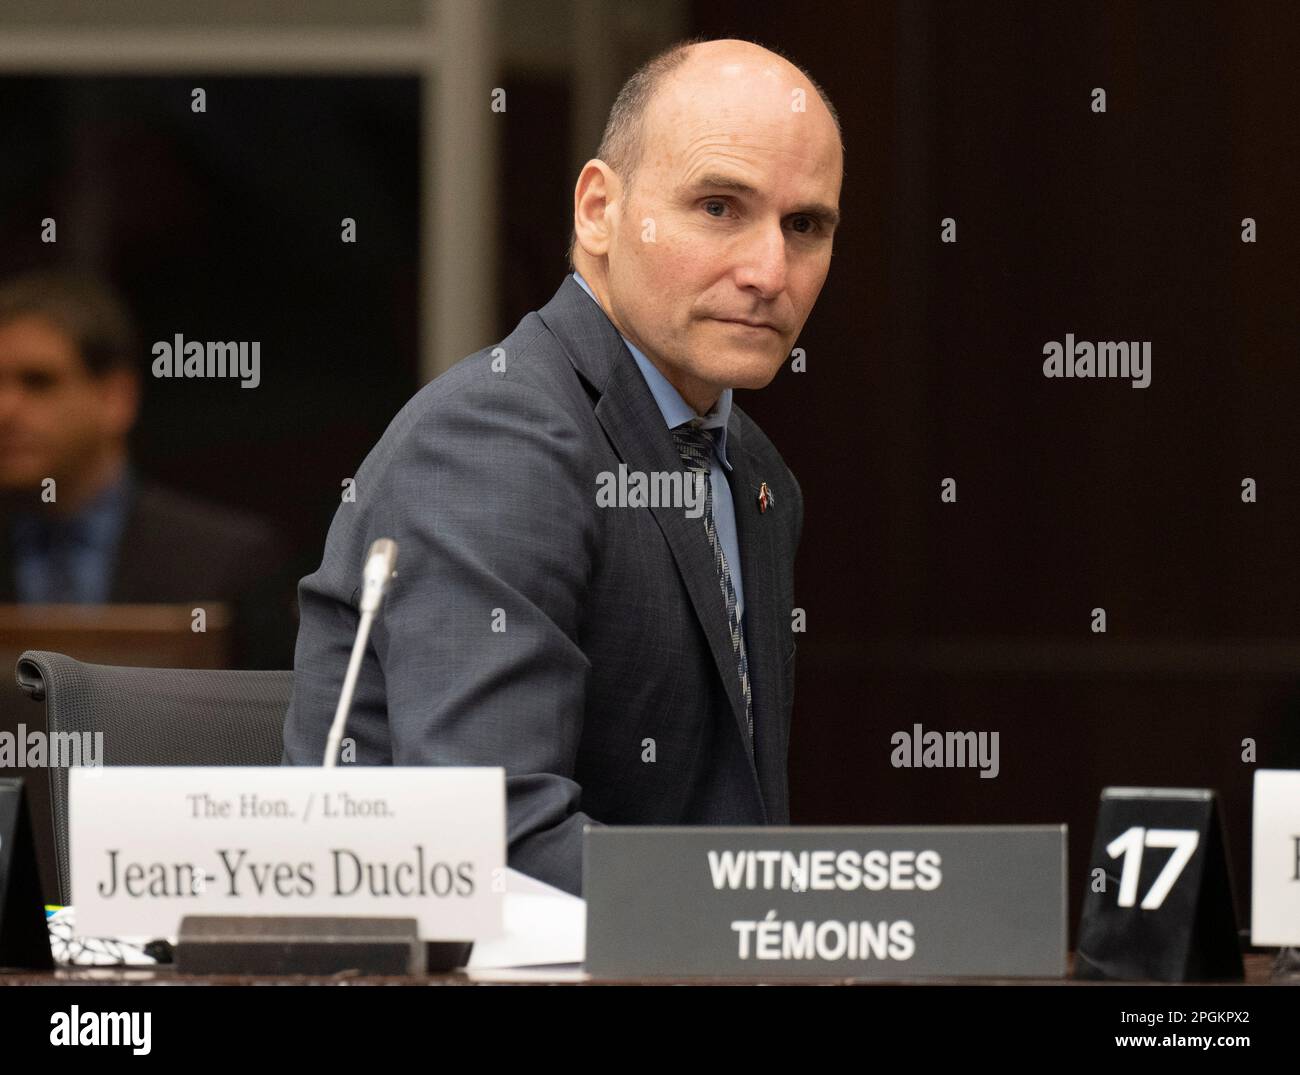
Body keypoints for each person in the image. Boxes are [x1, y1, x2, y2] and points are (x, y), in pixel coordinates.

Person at [282, 37, 843, 895]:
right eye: (719, 207)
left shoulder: (755, 470)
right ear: (597, 210)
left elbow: (730, 819)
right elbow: (490, 837)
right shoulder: (498, 437)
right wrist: (793, 904)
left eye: (804, 225)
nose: (769, 271)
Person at [0, 269, 295, 668]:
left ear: (115, 397)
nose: (6, 410)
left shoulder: (225, 562)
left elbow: (268, 721)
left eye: (39, 382)